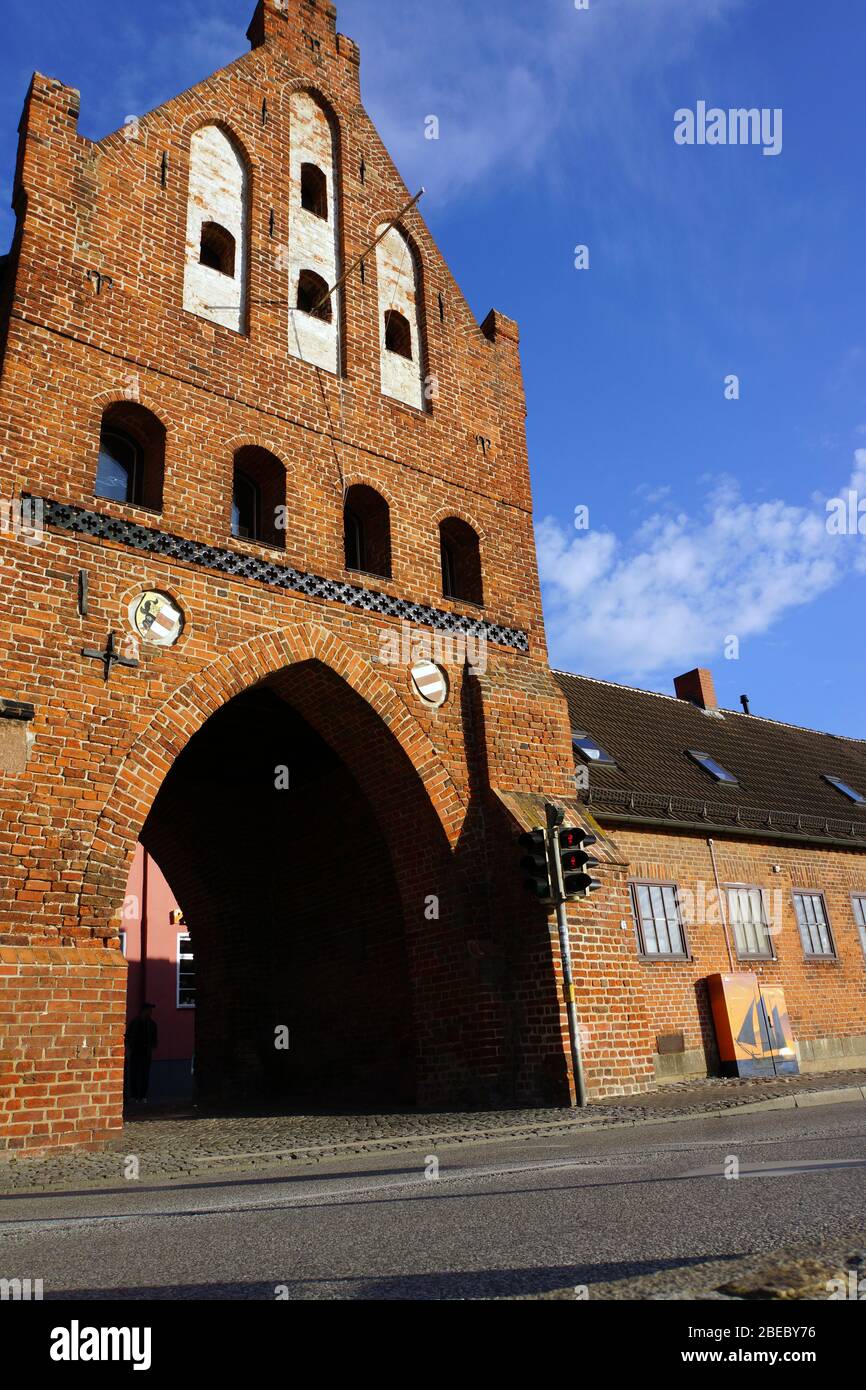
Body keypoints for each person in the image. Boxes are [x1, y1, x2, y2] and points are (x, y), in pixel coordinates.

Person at [125, 1003, 158, 1103]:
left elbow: (154, 1039)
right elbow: (128, 1037)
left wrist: (151, 1047)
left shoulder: (152, 1024)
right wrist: (128, 1049)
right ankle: (134, 1096)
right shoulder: (135, 1023)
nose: (151, 1012)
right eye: (149, 1010)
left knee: (144, 1074)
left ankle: (143, 1096)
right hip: (135, 1051)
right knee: (134, 1074)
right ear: (144, 1011)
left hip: (145, 1052)